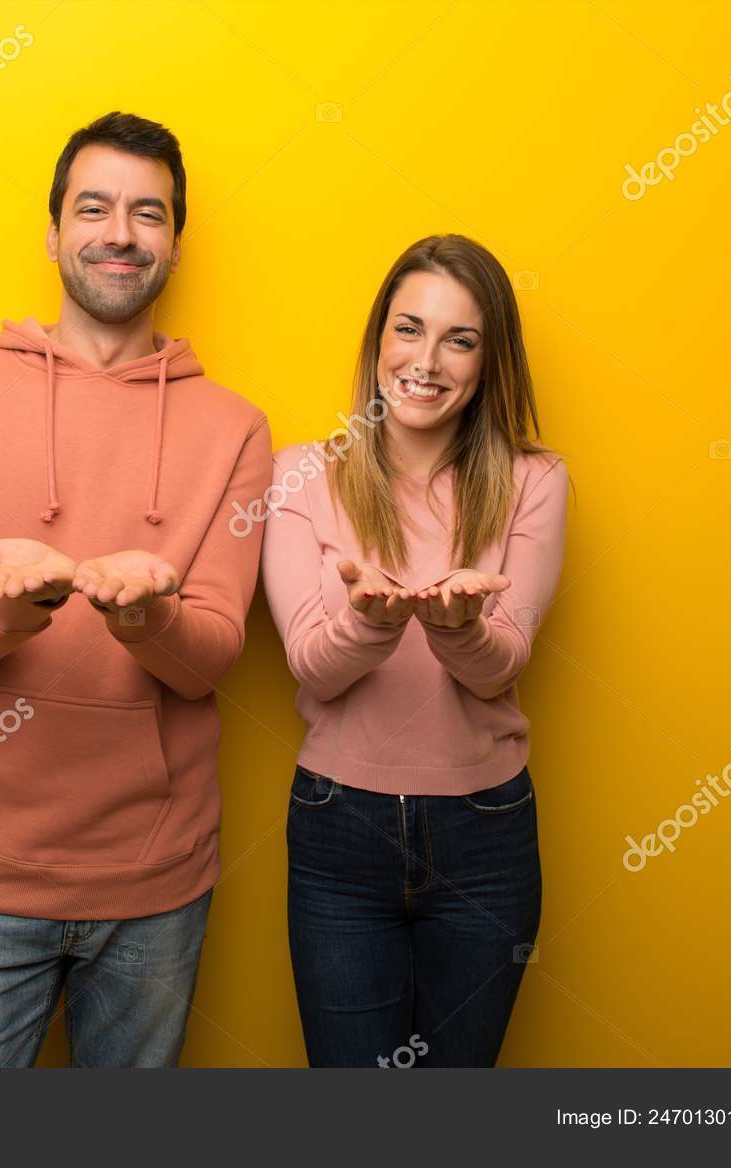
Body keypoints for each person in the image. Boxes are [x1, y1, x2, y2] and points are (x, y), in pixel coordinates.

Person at [0, 111, 272, 1067]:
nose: (120, 232)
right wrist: (9, 603)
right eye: (94, 207)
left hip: (156, 885)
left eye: (149, 213)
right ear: (54, 231)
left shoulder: (235, 429)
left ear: (176, 245)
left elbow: (213, 656)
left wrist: (149, 619)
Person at [260, 234, 569, 1067]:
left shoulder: (534, 480)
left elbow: (503, 663)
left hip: (487, 834)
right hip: (338, 834)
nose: (426, 361)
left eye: (459, 339)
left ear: (488, 361)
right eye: (409, 328)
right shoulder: (300, 477)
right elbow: (311, 667)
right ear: (377, 340)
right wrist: (373, 621)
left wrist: (458, 628)